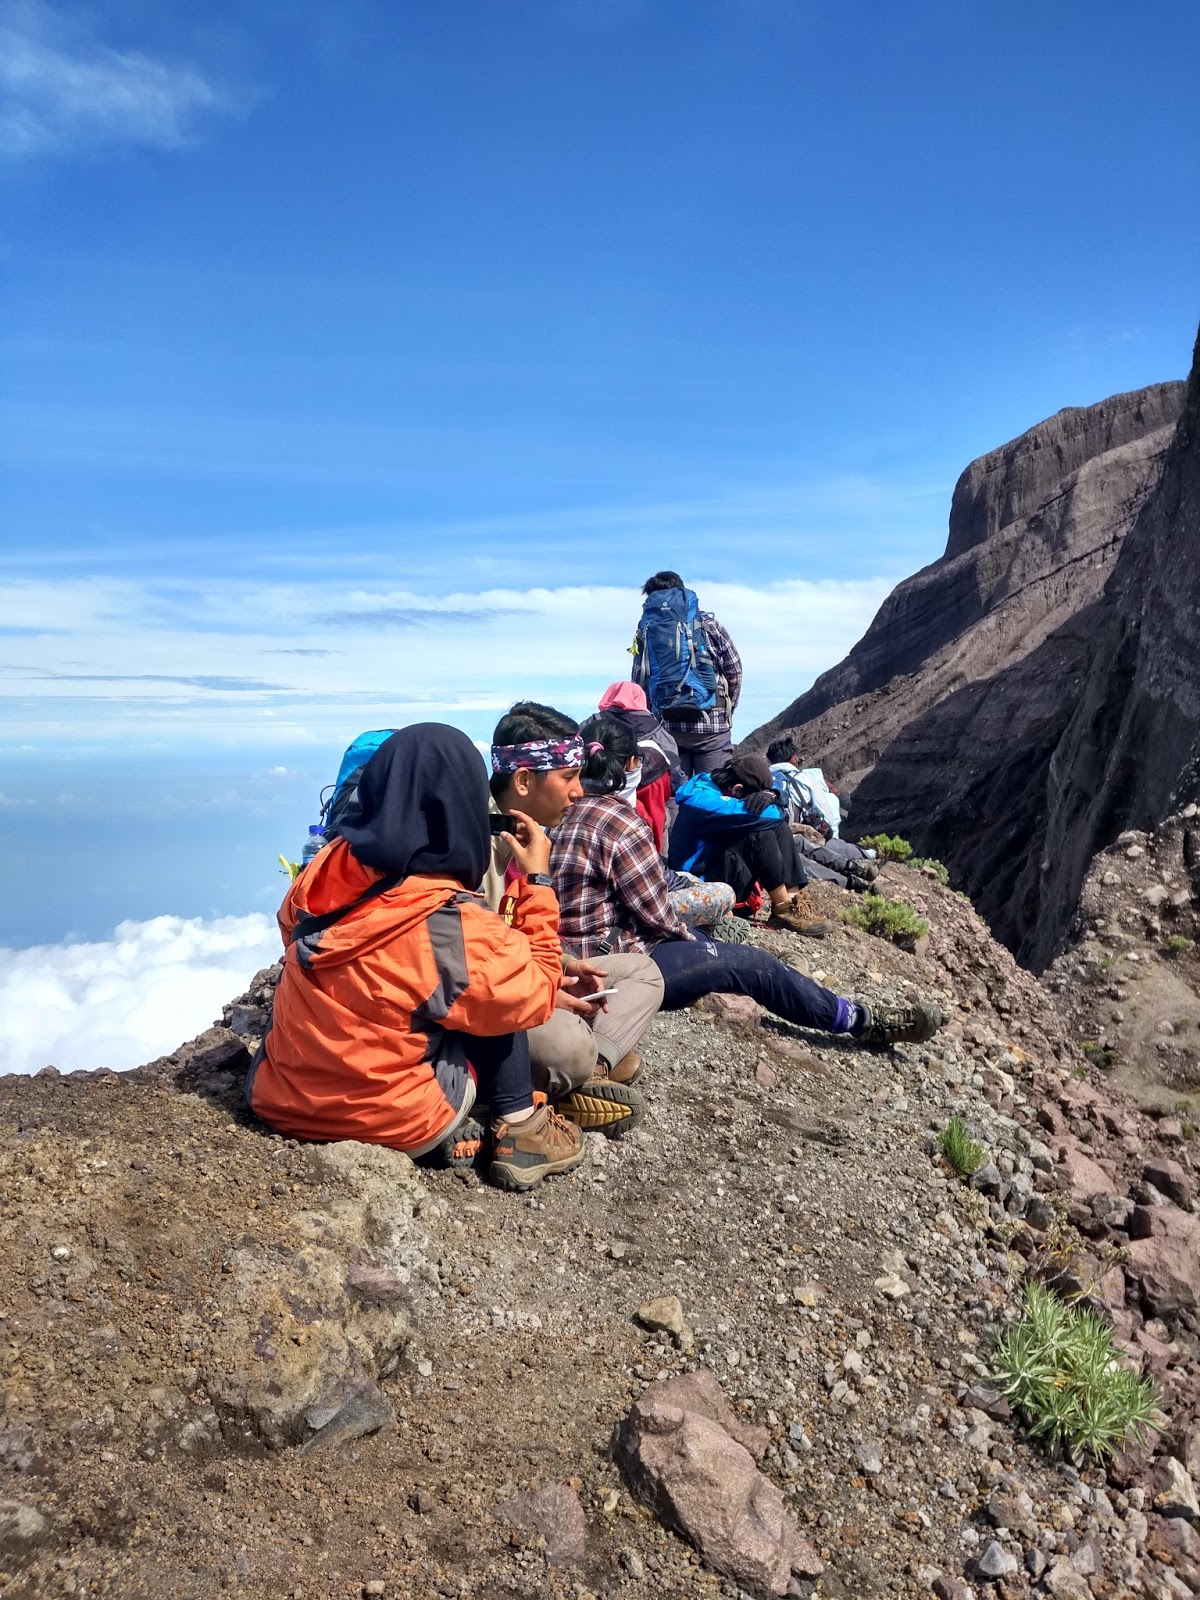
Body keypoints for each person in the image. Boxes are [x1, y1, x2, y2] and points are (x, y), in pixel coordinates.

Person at [247, 724, 585, 1192]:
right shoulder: (448, 920)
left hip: (281, 1099)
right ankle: (520, 1127)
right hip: (395, 1118)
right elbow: (534, 992)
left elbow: (302, 936)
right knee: (487, 992)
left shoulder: (322, 871)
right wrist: (537, 884)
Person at [551, 716, 944, 1047]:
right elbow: (657, 915)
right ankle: (860, 1020)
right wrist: (691, 931)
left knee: (726, 952)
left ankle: (791, 980)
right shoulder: (619, 820)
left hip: (578, 952)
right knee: (755, 966)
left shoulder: (558, 814)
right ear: (631, 764)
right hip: (618, 961)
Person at [485, 701, 665, 1136]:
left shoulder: (519, 833)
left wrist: (565, 966)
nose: (579, 791)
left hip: (521, 980)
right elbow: (482, 975)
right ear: (525, 780)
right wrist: (548, 994)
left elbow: (515, 941)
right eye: (568, 777)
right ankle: (571, 1075)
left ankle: (594, 1069)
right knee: (567, 1047)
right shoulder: (476, 849)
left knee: (643, 971)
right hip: (490, 1007)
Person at [668, 752, 835, 937]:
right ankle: (782, 908)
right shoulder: (703, 801)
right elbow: (771, 815)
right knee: (760, 833)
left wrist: (774, 794)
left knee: (781, 829)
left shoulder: (725, 785)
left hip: (719, 868)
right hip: (699, 882)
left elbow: (779, 811)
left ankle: (792, 901)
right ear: (737, 789)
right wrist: (775, 802)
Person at [632, 571, 742, 779]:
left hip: (668, 726)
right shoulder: (709, 626)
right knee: (712, 793)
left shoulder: (645, 631)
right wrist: (727, 708)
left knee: (676, 796)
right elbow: (734, 671)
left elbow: (639, 680)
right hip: (711, 724)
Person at [767, 736, 879, 890]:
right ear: (793, 758)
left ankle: (853, 883)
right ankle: (857, 867)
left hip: (775, 832)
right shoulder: (804, 779)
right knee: (821, 849)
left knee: (801, 858)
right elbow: (825, 811)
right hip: (798, 834)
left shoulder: (764, 780)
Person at [596, 681, 682, 852]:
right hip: (651, 800)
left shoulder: (594, 723)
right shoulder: (659, 730)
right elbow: (674, 777)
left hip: (602, 798)